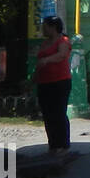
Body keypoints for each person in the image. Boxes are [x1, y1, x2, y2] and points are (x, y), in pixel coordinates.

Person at [36, 15, 73, 153]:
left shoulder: (63, 41)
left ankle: (63, 144)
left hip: (60, 82)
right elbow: (39, 62)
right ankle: (53, 143)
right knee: (47, 114)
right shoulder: (44, 43)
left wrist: (47, 60)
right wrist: (34, 78)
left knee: (58, 112)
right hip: (44, 82)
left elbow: (62, 55)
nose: (43, 29)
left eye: (45, 27)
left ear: (53, 27)